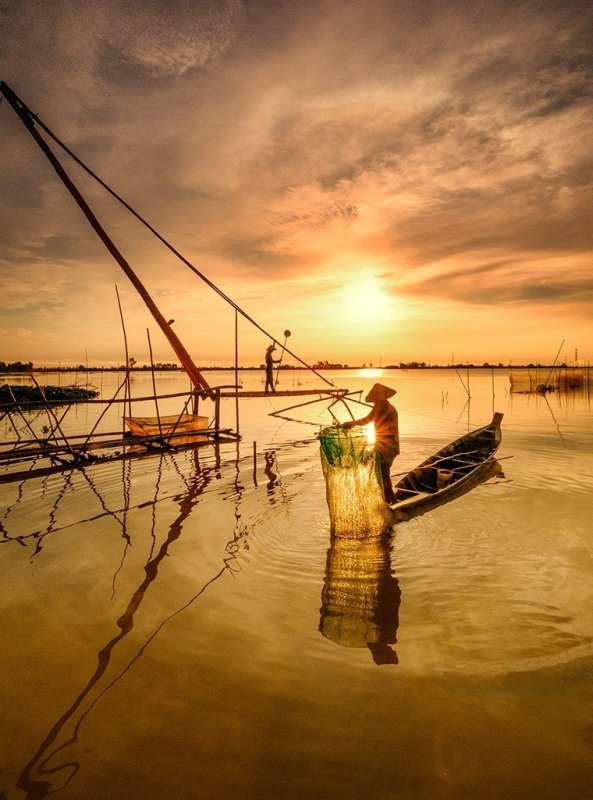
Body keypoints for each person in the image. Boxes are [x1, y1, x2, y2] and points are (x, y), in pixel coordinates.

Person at [342, 383, 399, 504]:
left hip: (387, 447)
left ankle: (392, 500)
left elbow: (367, 420)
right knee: (383, 474)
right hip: (388, 446)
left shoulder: (382, 407)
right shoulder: (387, 406)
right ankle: (388, 499)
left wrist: (351, 424)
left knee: (383, 474)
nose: (374, 402)